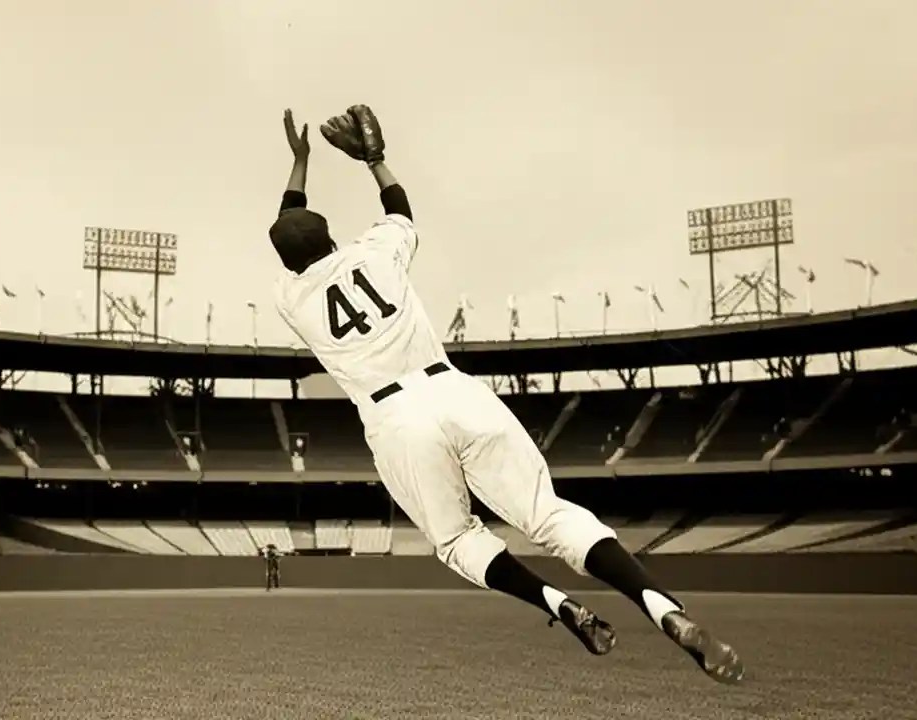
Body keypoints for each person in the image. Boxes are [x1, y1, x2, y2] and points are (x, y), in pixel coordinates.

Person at [267, 105, 744, 684]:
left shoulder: (290, 299)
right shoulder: (374, 251)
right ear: (332, 236)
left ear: (288, 264)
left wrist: (298, 165)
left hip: (396, 419)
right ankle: (664, 608)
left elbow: (289, 224)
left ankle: (553, 602)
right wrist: (374, 161)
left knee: (456, 539)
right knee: (548, 514)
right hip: (457, 392)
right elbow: (399, 209)